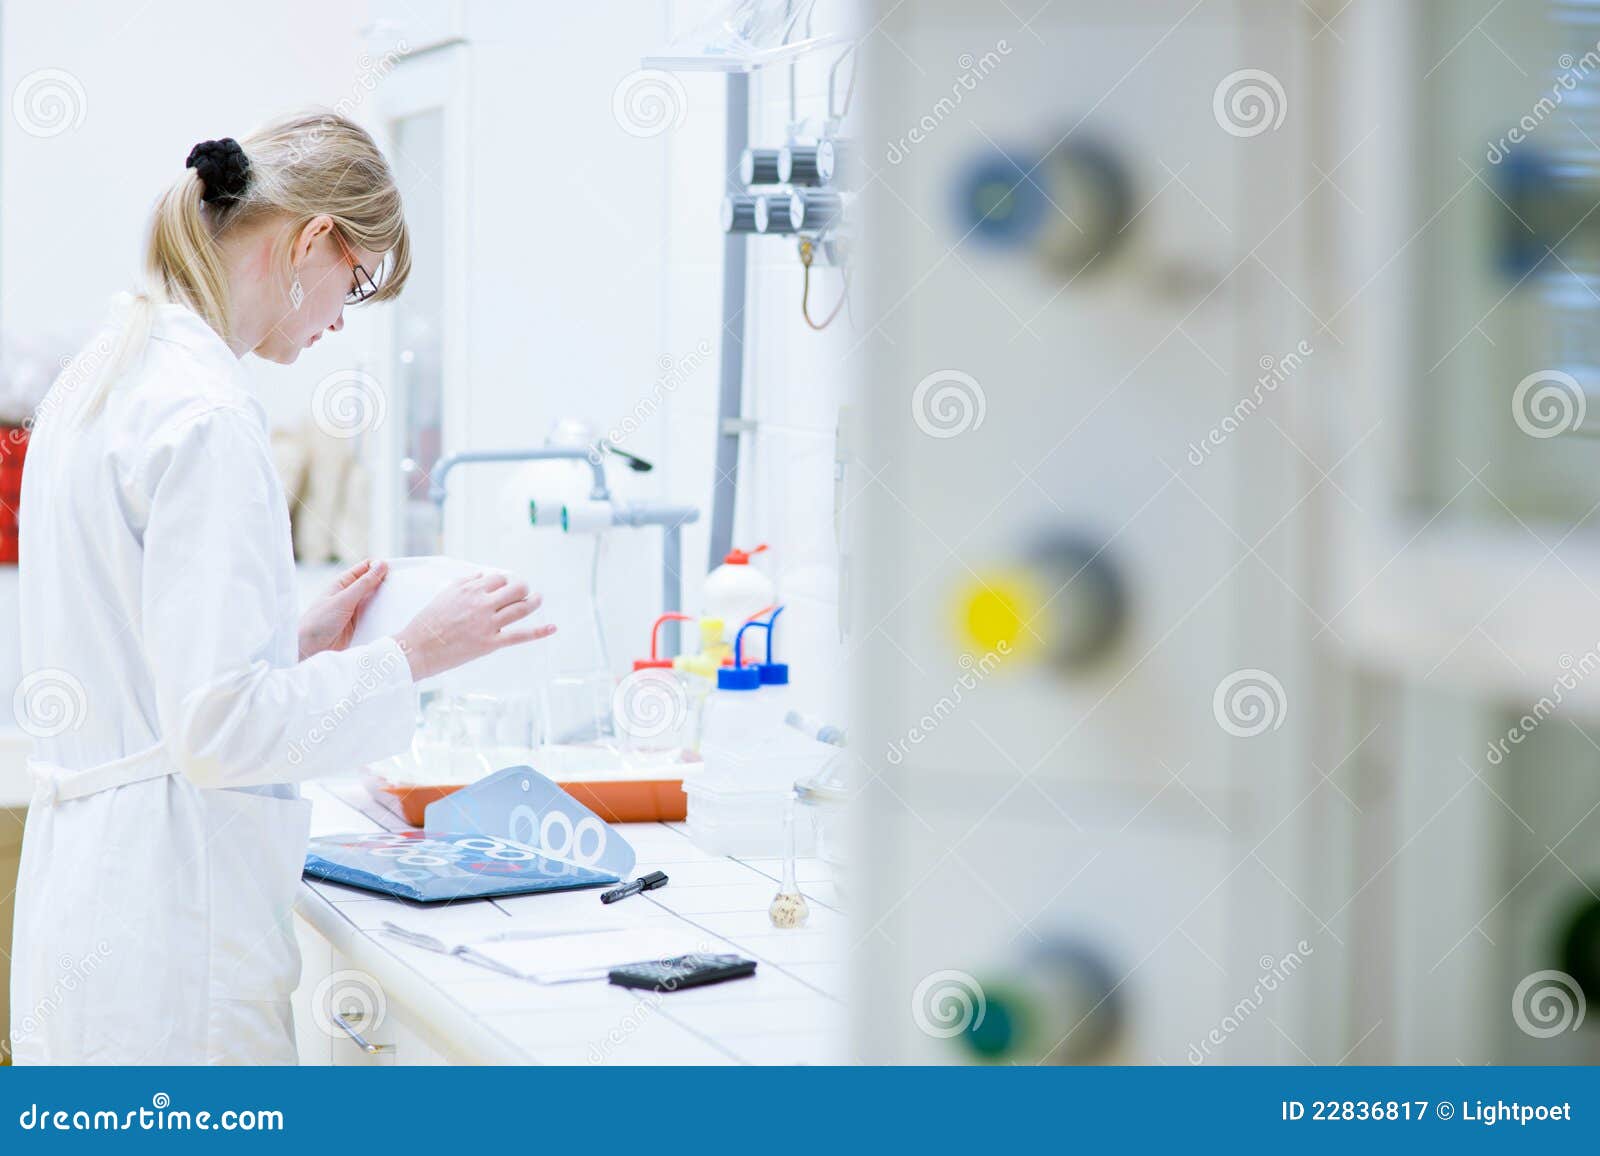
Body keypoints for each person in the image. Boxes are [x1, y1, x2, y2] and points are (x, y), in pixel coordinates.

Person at [7, 111, 553, 1064]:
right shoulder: (209, 415)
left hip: (91, 906)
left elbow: (143, 663)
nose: (341, 318)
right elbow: (219, 734)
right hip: (170, 932)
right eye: (358, 281)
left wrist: (287, 644)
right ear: (313, 241)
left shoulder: (109, 368)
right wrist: (415, 653)